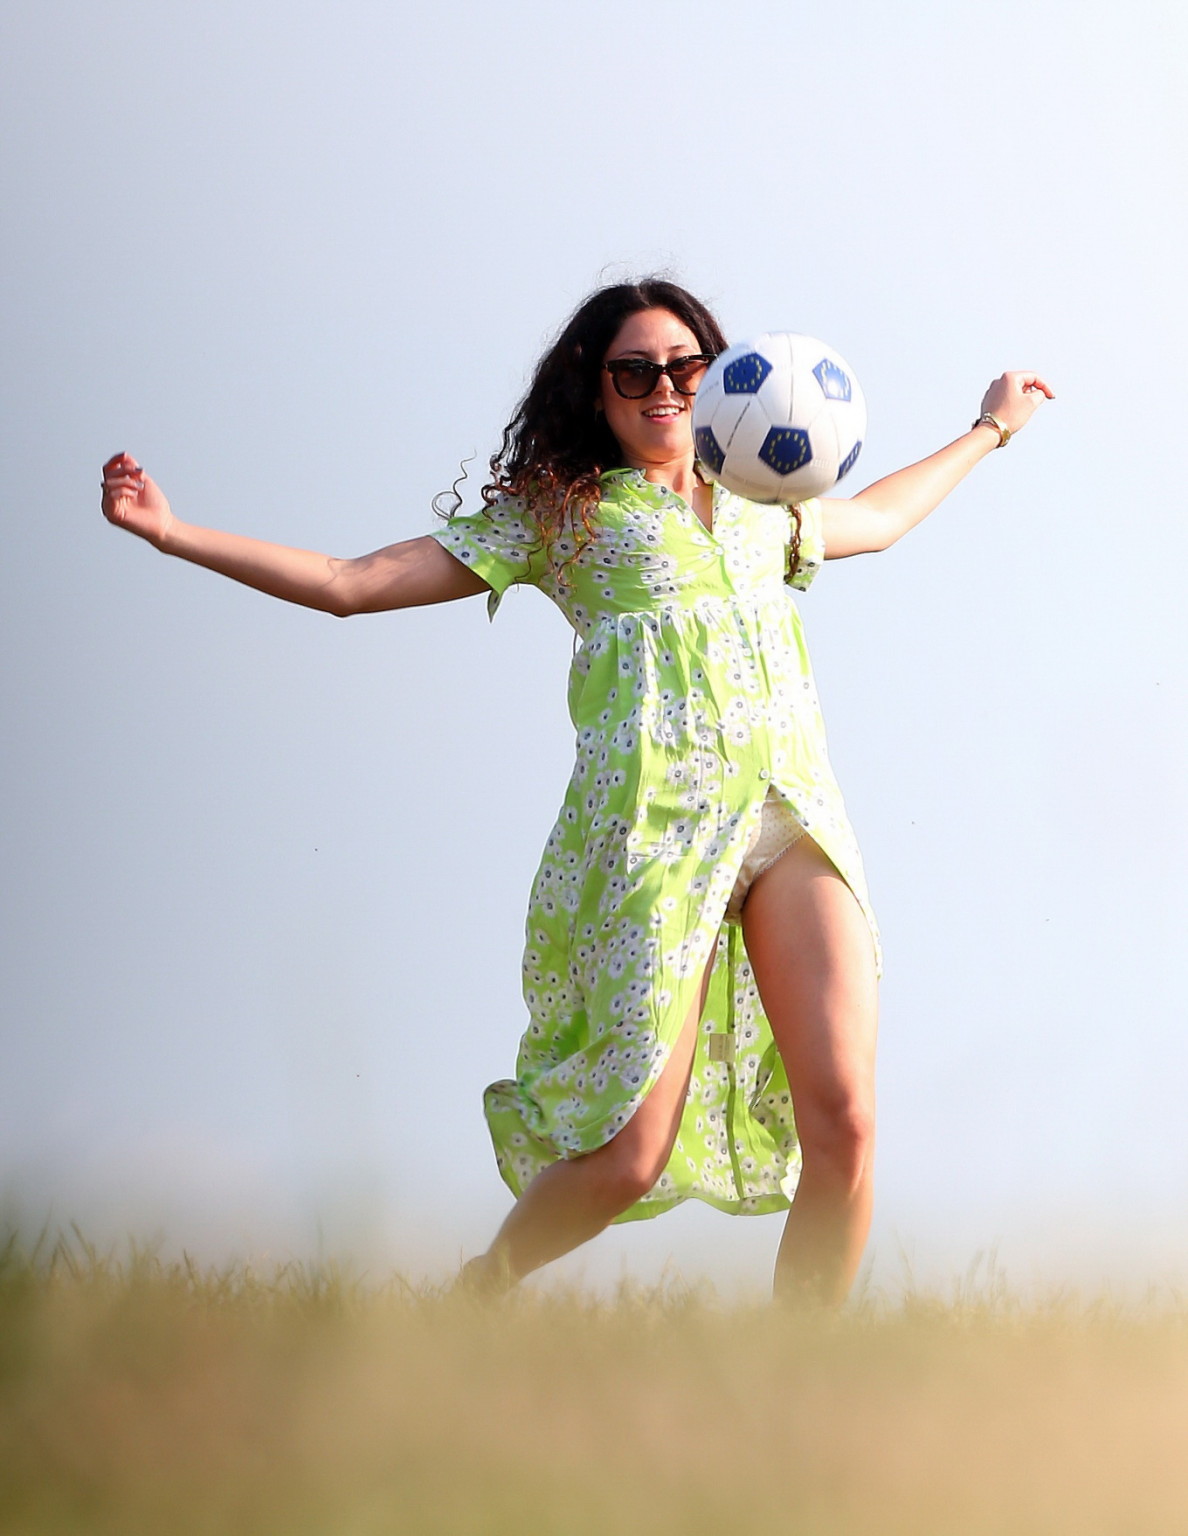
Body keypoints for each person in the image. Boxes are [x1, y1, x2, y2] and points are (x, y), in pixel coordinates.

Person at [101, 278, 1052, 1305]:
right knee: (629, 1155)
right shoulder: (562, 516)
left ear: (719, 377)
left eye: (684, 367)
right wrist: (172, 532)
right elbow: (350, 583)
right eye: (634, 372)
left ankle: (803, 1370)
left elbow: (882, 517)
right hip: (654, 839)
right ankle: (481, 1293)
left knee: (849, 1123)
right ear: (595, 391)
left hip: (792, 820)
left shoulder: (762, 502)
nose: (663, 388)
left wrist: (990, 429)